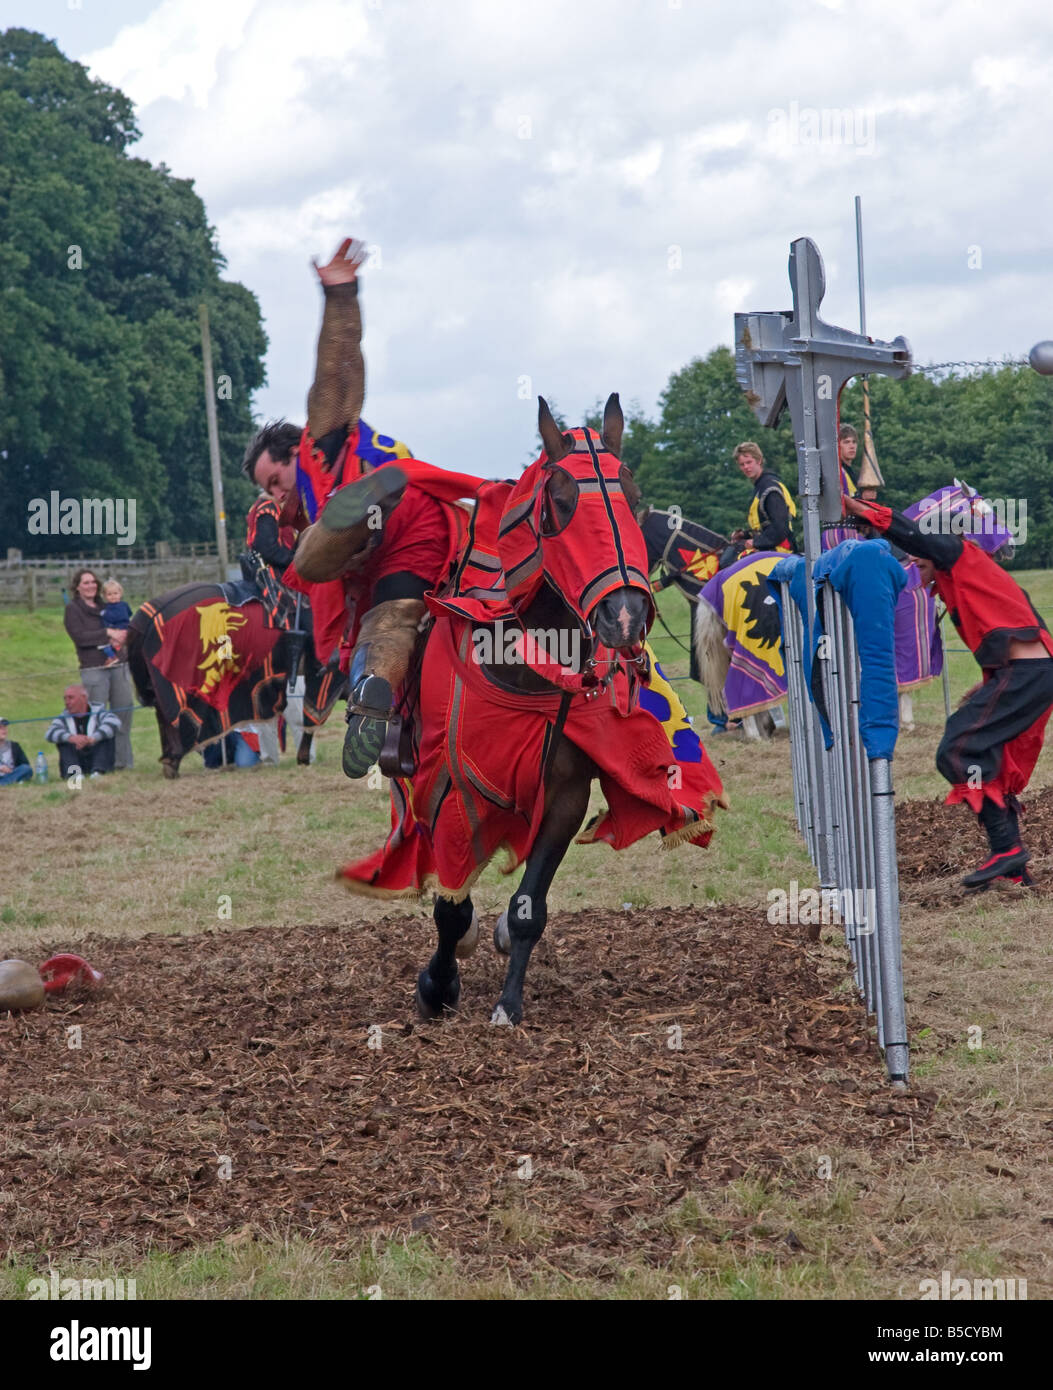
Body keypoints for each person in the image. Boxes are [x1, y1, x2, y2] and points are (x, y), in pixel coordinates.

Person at [243, 238, 459, 780]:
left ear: (294, 454)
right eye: (268, 490)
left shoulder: (319, 444)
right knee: (389, 623)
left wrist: (340, 297)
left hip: (399, 521)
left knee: (310, 557)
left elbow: (339, 372)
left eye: (274, 481)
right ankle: (368, 705)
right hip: (411, 543)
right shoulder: (317, 475)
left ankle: (353, 514)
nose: (275, 495)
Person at [845, 492, 1053, 888]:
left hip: (1028, 675)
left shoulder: (958, 553)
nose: (913, 562)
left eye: (918, 557)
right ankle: (1014, 868)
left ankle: (1006, 847)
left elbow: (914, 536)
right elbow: (1028, 626)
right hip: (1027, 674)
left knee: (958, 750)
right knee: (989, 760)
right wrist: (992, 683)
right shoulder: (965, 575)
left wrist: (866, 512)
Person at [63, 568, 134, 769]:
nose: (91, 586)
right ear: (77, 587)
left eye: (93, 582)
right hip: (94, 668)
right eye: (86, 582)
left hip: (119, 664)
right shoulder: (73, 609)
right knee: (97, 717)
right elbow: (80, 637)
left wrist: (124, 635)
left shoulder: (107, 604)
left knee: (123, 712)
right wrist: (108, 633)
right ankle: (99, 763)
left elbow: (125, 625)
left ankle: (123, 762)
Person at [720, 441, 797, 568]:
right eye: (742, 464)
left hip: (780, 551)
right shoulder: (759, 487)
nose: (746, 467)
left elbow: (780, 527)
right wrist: (744, 535)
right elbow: (764, 528)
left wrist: (756, 542)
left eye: (749, 462)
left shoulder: (770, 488)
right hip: (768, 547)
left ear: (759, 461)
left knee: (729, 564)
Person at [45, 685, 121, 778]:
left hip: (96, 756)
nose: (67, 702)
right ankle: (74, 774)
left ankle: (99, 772)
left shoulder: (98, 712)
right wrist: (72, 738)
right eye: (65, 698)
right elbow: (50, 733)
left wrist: (93, 738)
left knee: (107, 736)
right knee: (63, 741)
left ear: (84, 698)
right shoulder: (63, 717)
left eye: (71, 698)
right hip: (76, 758)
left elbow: (115, 723)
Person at [98, 579, 133, 665]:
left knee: (126, 643)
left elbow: (129, 614)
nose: (113, 596)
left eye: (115, 593)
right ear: (104, 596)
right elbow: (104, 619)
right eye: (109, 594)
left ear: (120, 593)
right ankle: (112, 657)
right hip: (112, 629)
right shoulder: (105, 607)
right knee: (104, 644)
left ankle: (124, 656)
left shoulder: (124, 605)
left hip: (124, 627)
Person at [0, 718, 32, 785]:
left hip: (11, 774)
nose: (4, 730)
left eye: (5, 727)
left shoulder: (14, 746)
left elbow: (25, 764)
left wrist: (12, 770)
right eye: (0, 728)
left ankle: (3, 782)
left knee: (26, 769)